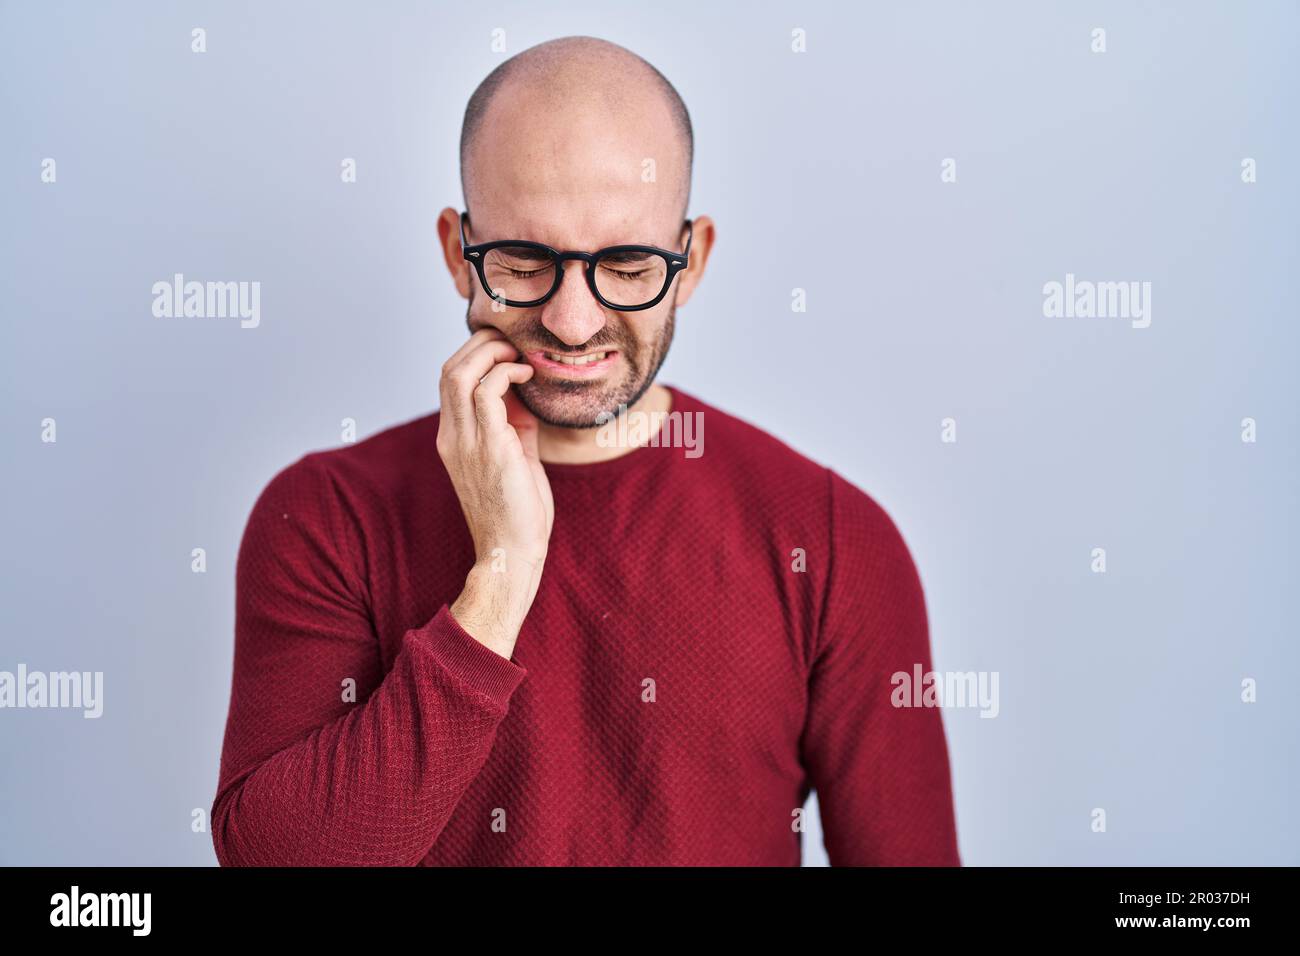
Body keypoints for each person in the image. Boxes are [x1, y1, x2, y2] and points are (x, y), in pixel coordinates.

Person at [211, 35, 960, 866]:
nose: (573, 321)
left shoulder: (830, 538)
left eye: (628, 264)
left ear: (692, 262)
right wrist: (500, 575)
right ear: (461, 257)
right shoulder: (327, 516)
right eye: (526, 260)